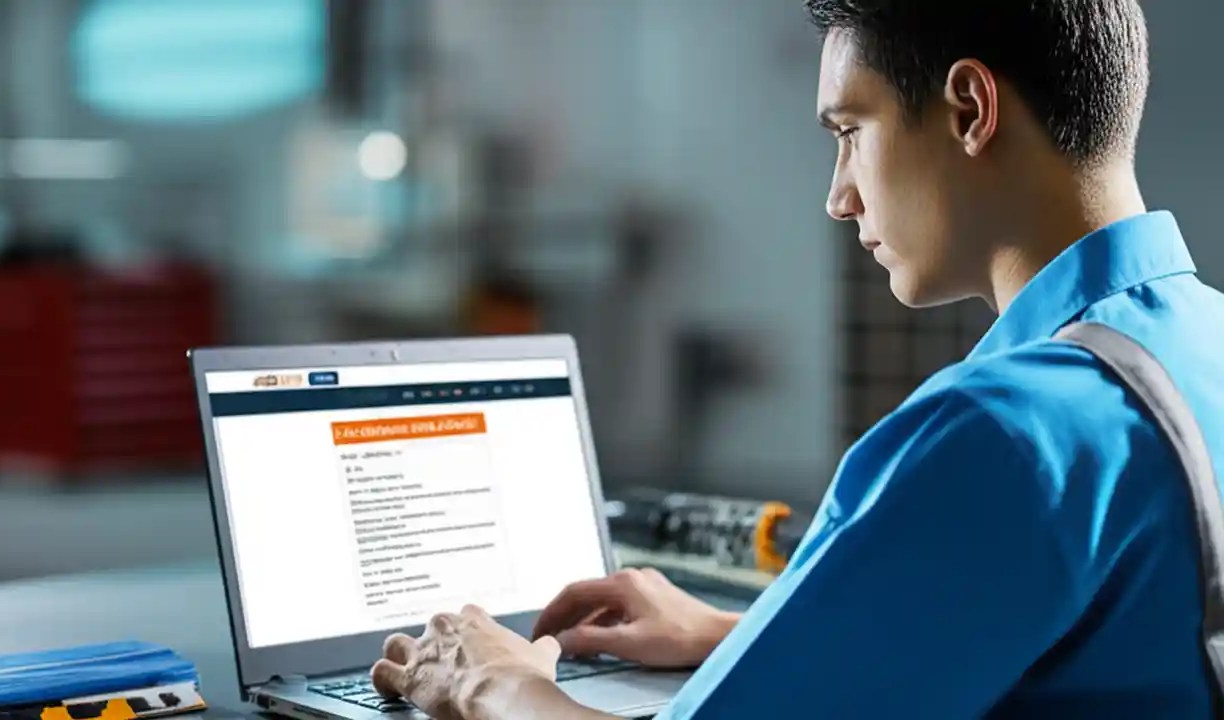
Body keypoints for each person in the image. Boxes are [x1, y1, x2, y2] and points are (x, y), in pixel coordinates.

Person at [369, 1, 1224, 717]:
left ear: (969, 108)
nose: (839, 194)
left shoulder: (998, 431)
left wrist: (495, 682)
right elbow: (1091, 652)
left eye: (851, 129)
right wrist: (749, 636)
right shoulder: (1202, 343)